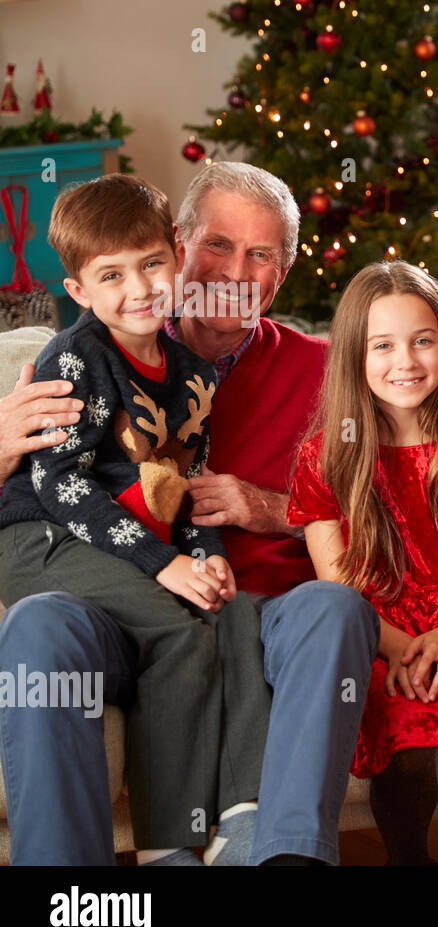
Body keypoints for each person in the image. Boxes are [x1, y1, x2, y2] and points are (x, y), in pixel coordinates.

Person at [0, 161, 379, 866]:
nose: (236, 270)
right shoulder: (89, 355)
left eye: (261, 253)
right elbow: (50, 492)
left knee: (334, 609)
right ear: (183, 242)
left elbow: (398, 508)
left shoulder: (336, 374)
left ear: (284, 272)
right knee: (38, 625)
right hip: (114, 599)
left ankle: (274, 850)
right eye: (218, 244)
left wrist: (277, 510)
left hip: (256, 611)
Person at [0, 174, 269, 865]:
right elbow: (58, 486)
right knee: (177, 629)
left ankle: (242, 818)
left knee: (229, 610)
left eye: (151, 264)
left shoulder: (192, 378)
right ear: (80, 292)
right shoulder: (74, 359)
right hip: (39, 540)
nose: (140, 288)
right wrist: (165, 566)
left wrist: (205, 555)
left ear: (176, 254)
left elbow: (187, 487)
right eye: (111, 276)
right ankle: (167, 845)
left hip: (118, 547)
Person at [288, 261, 438, 866]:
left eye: (423, 341)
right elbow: (338, 585)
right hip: (376, 632)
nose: (407, 361)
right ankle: (408, 859)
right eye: (383, 346)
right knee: (395, 710)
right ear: (353, 355)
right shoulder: (325, 459)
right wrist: (397, 647)